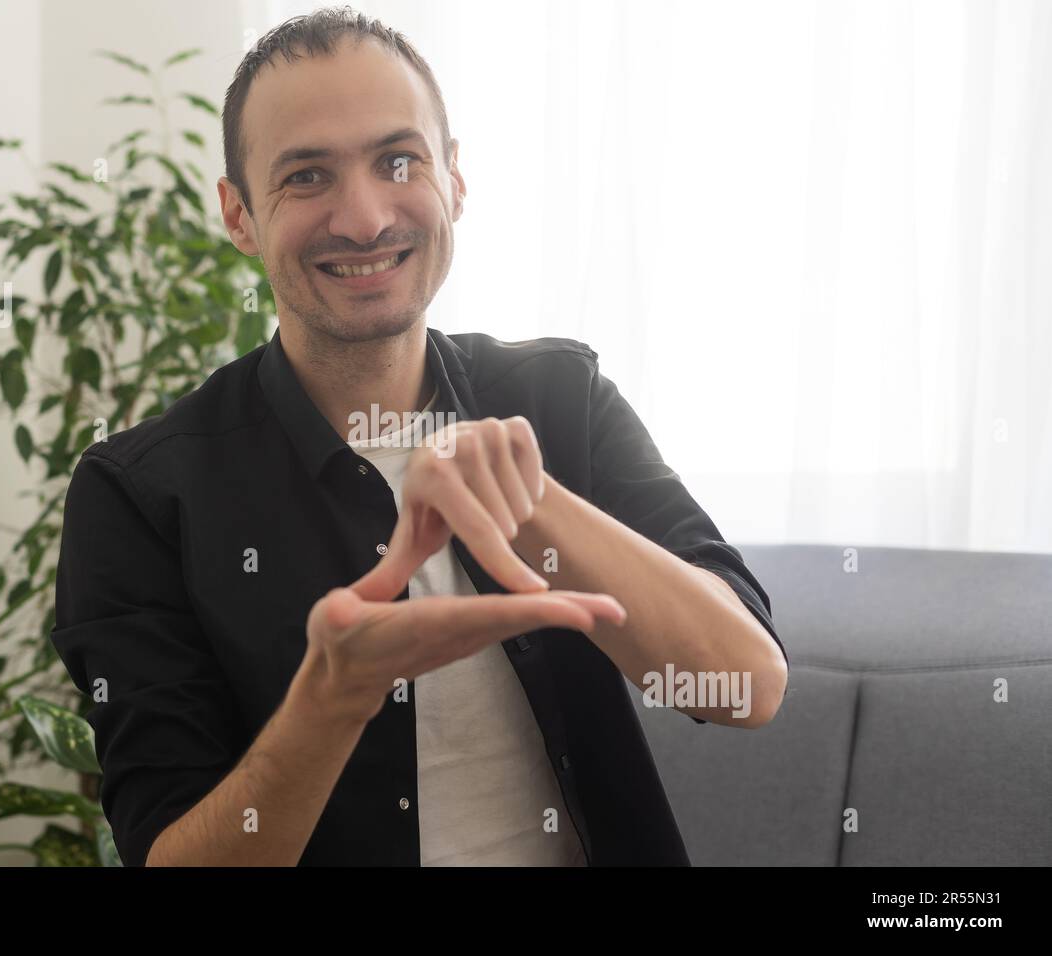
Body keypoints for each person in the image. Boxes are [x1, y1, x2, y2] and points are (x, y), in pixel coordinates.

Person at [51, 5, 789, 868]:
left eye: (397, 160)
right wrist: (334, 694)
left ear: (455, 181)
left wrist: (530, 501)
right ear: (239, 214)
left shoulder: (561, 396)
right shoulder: (138, 496)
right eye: (307, 176)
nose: (364, 220)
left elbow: (747, 687)